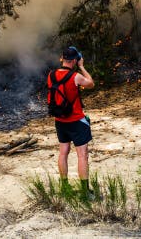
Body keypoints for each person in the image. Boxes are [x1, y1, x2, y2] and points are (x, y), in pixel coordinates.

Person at [49, 46, 95, 188]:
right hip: (76, 120)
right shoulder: (76, 77)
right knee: (82, 155)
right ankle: (85, 191)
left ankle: (64, 187)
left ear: (62, 58)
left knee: (63, 153)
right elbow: (91, 84)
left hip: (60, 120)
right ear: (75, 60)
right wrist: (82, 67)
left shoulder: (51, 75)